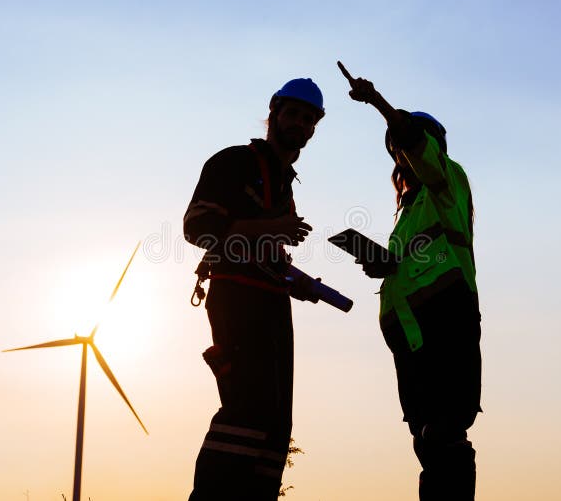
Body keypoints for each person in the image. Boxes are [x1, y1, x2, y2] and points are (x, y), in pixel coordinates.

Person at [339, 61, 481, 501]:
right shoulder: (409, 213)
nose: (401, 157)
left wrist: (378, 102)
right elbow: (411, 263)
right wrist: (383, 264)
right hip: (411, 336)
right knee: (425, 438)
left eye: (403, 147)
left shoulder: (446, 180)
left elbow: (415, 143)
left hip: (445, 324)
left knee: (445, 433)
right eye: (396, 153)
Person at [183, 77, 324, 501]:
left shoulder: (284, 186)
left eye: (310, 119)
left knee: (277, 423)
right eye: (294, 114)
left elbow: (267, 253)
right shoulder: (233, 162)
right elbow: (198, 228)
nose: (301, 124)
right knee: (247, 410)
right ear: (275, 112)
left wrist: (299, 282)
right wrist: (271, 228)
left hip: (274, 306)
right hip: (237, 301)